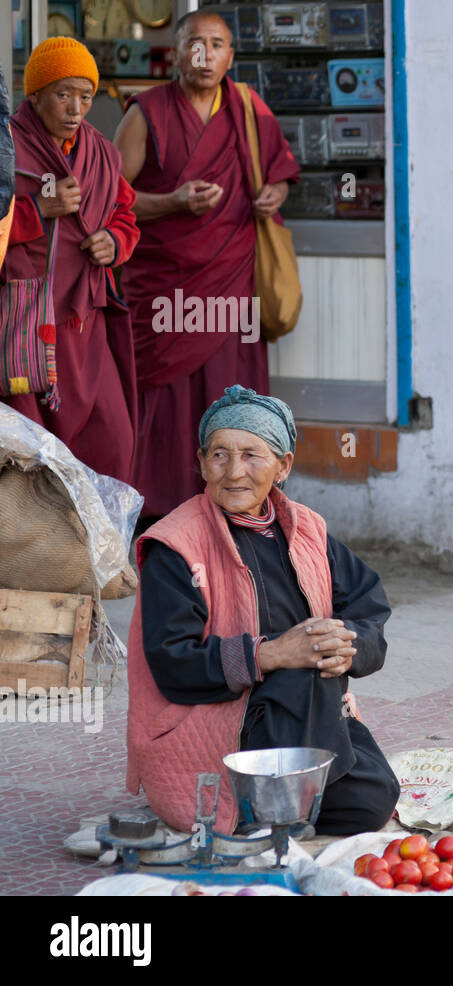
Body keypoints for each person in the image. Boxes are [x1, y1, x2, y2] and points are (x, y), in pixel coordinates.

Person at [127, 386, 399, 836]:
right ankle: (274, 810)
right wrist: (272, 655)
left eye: (252, 455)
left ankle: (282, 808)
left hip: (309, 715)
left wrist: (346, 646)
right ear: (200, 462)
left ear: (283, 466)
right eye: (219, 455)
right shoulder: (176, 546)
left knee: (371, 802)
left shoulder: (307, 529)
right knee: (302, 671)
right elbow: (173, 664)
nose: (234, 472)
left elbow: (367, 603)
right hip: (216, 721)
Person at [115, 10, 299, 520]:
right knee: (165, 398)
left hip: (230, 279)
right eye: (194, 43)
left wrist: (271, 194)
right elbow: (112, 198)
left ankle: (237, 502)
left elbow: (280, 177)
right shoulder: (145, 113)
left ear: (230, 57)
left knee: (230, 389)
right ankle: (156, 510)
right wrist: (172, 202)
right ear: (175, 53)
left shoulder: (247, 109)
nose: (205, 54)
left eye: (216, 44)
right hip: (164, 287)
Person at [1, 38, 140, 483]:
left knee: (113, 440)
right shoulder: (8, 149)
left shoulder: (101, 153)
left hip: (84, 325)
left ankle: (100, 549)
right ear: (36, 94)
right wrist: (38, 207)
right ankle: (36, 551)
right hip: (24, 324)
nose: (75, 108)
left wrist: (114, 242)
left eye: (85, 95)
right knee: (31, 452)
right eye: (63, 94)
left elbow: (125, 214)